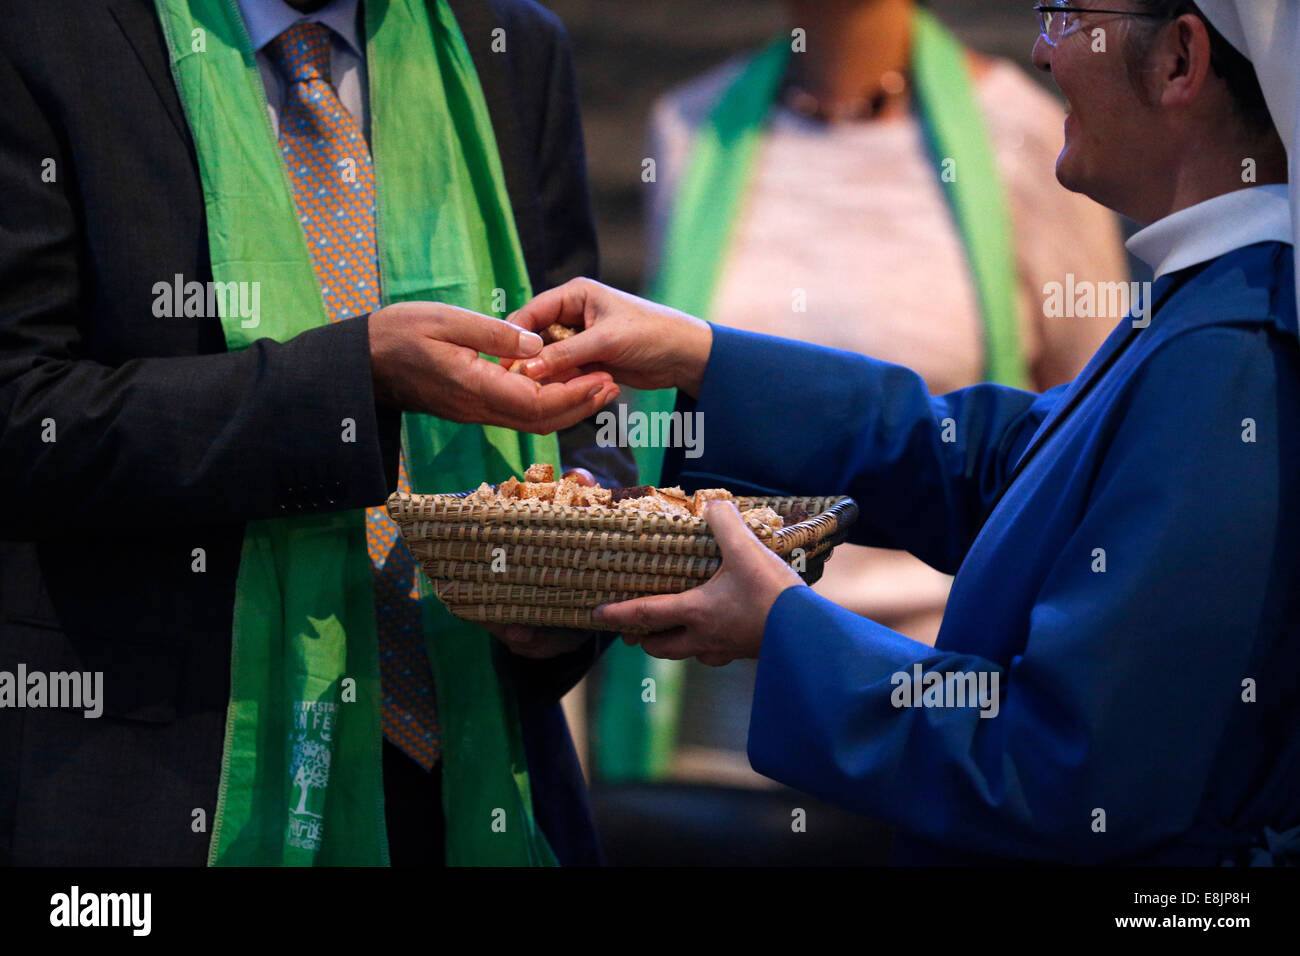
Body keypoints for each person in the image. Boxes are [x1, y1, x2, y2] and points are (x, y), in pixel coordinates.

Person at [511, 0, 1300, 864]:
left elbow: (1064, 768)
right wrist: (703, 359)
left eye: (1069, 16)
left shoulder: (1232, 355)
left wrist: (788, 634)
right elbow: (1006, 463)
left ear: (1181, 59)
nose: (1043, 50)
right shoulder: (1207, 305)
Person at [0, 0, 630, 866]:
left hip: (477, 783)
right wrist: (352, 382)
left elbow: (581, 390)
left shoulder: (509, 42)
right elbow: (21, 412)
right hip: (168, 782)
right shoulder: (47, 30)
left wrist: (573, 558)